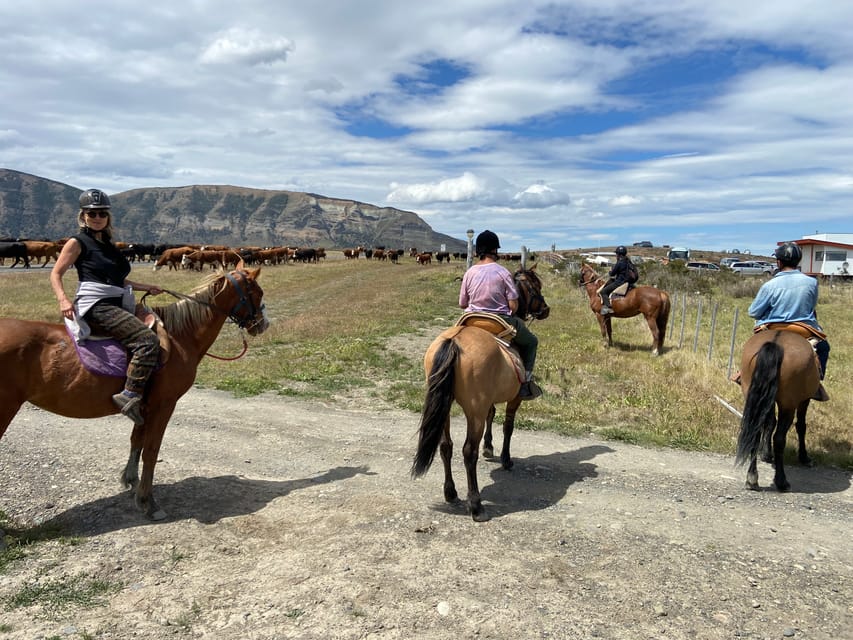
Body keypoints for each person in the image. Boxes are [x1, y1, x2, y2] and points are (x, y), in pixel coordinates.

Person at [50, 188, 164, 425]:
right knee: (146, 340)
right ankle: (129, 394)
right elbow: (56, 273)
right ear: (83, 216)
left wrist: (146, 286)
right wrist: (63, 298)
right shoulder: (77, 242)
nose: (98, 218)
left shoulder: (109, 244)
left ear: (108, 216)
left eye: (102, 213)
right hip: (96, 305)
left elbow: (118, 280)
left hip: (116, 300)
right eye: (92, 214)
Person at [458, 230, 541, 400]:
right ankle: (525, 382)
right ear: (495, 250)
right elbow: (513, 305)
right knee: (532, 342)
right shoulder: (503, 273)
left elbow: (462, 303)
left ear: (478, 251)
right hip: (499, 322)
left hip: (471, 320)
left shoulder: (469, 272)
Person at [747, 241, 830, 400]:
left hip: (772, 327)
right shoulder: (812, 282)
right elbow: (811, 306)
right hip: (803, 329)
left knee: (753, 348)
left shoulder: (770, 285)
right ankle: (816, 381)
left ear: (779, 262)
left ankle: (743, 374)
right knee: (824, 348)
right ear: (798, 261)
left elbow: (754, 311)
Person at [599, 245, 631, 315]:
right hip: (627, 281)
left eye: (616, 254)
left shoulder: (619, 262)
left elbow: (612, 274)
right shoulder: (627, 261)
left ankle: (608, 308)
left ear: (619, 254)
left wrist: (610, 271)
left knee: (603, 292)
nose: (616, 255)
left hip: (619, 282)